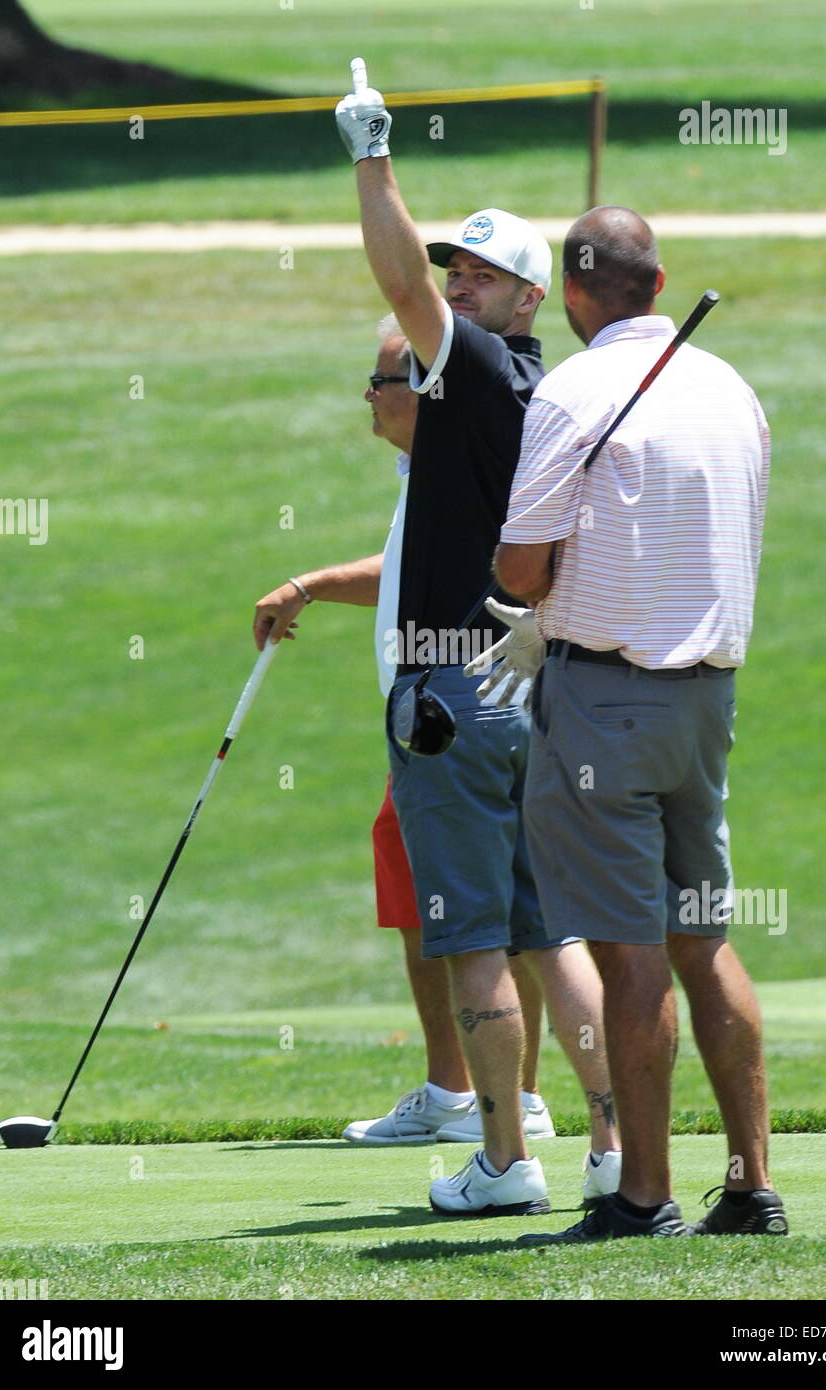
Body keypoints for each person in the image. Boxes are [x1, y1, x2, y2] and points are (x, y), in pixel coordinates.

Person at [334, 64, 621, 1216]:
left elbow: (396, 281)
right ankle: (610, 1147)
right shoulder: (543, 385)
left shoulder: (489, 368)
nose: (456, 284)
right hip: (528, 686)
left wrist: (370, 155)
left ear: (527, 298)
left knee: (473, 942)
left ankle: (505, 1162)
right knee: (552, 936)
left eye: (482, 274)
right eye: (459, 267)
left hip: (457, 691)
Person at [494, 205, 786, 1241]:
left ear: (572, 296)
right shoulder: (732, 388)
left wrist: (548, 589)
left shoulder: (572, 389)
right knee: (701, 936)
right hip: (707, 702)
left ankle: (643, 1194)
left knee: (629, 951)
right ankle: (752, 1184)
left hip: (602, 703)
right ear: (658, 284)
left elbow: (519, 568)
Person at [253, 319, 554, 1148]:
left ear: (427, 391)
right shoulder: (426, 476)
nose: (369, 395)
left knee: (479, 910)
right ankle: (476, 1092)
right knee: (456, 902)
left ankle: (486, 1100)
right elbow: (410, 572)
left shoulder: (464, 467)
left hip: (462, 721)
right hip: (441, 722)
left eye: (382, 380)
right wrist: (309, 585)